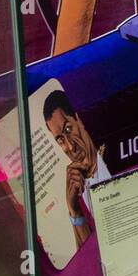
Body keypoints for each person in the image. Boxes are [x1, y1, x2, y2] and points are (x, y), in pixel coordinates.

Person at [42, 89, 109, 247]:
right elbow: (87, 258)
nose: (70, 146)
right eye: (60, 139)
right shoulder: (77, 184)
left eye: (68, 129)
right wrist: (74, 209)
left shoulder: (108, 158)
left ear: (78, 119)